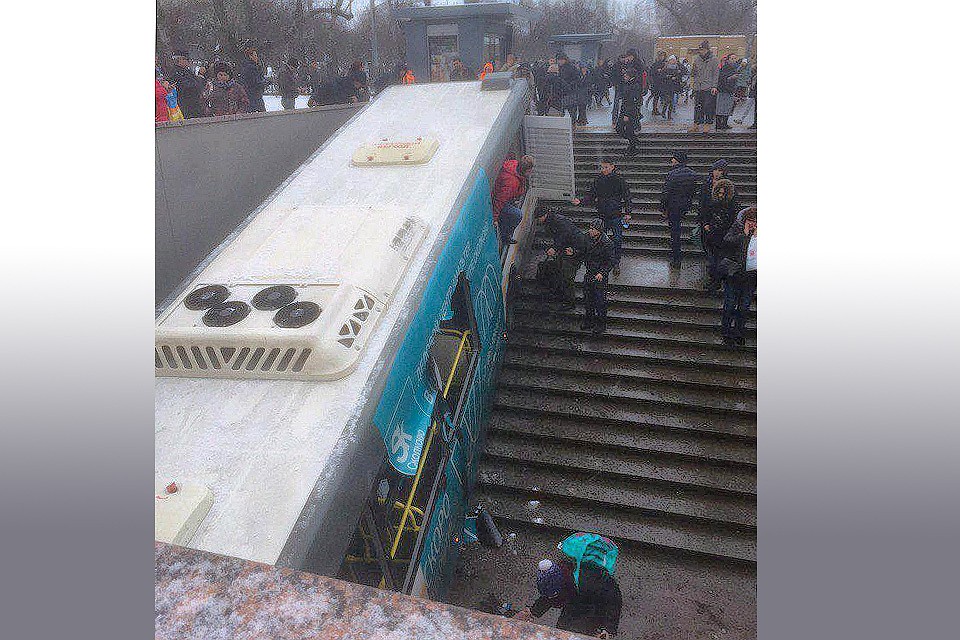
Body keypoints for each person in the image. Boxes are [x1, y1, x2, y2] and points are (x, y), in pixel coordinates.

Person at [515, 535, 622, 638]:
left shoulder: (568, 576)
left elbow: (552, 595)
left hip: (591, 613)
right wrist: (608, 629)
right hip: (580, 611)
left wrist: (533, 611)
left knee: (570, 629)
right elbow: (614, 603)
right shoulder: (602, 581)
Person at [572, 157, 633, 277]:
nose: (603, 169)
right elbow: (591, 195)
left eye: (606, 167)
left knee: (617, 239)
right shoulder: (598, 180)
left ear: (612, 167)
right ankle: (601, 262)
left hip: (615, 215)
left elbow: (627, 196)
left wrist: (628, 212)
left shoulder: (619, 180)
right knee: (599, 240)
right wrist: (581, 201)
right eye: (602, 167)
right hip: (602, 215)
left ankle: (615, 263)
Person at [718, 207, 757, 346]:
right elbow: (727, 242)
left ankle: (739, 332)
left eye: (755, 221)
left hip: (750, 277)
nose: (752, 224)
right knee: (729, 305)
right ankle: (726, 332)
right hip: (734, 275)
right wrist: (745, 235)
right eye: (750, 221)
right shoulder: (737, 229)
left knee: (744, 307)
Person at [536, 208, 586, 309]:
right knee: (560, 271)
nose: (537, 221)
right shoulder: (552, 220)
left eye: (538, 218)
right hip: (567, 249)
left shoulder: (558, 221)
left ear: (544, 215)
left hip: (574, 251)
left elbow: (564, 235)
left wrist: (555, 248)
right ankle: (562, 295)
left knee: (567, 276)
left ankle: (570, 302)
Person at [698, 162, 738, 290]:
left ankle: (716, 278)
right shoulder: (707, 184)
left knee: (718, 255)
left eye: (719, 170)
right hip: (710, 225)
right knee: (712, 252)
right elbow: (703, 205)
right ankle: (714, 276)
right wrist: (705, 223)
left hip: (722, 229)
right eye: (715, 169)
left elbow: (733, 210)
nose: (717, 172)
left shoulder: (728, 187)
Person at [660, 150, 699, 269]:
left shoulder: (672, 174)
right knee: (676, 230)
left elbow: (666, 193)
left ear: (676, 160)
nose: (671, 160)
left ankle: (676, 258)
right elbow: (693, 191)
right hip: (685, 205)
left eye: (673, 158)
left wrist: (663, 208)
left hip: (673, 207)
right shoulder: (692, 174)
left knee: (675, 233)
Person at [491, 155, 535, 248]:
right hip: (499, 200)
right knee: (517, 215)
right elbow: (500, 201)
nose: (531, 172)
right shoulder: (511, 183)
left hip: (505, 196)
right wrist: (494, 218)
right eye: (530, 170)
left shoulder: (514, 165)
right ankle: (505, 237)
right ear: (525, 170)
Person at [581, 220, 616, 334]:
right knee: (588, 298)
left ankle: (601, 323)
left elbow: (611, 261)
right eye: (590, 228)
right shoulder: (587, 238)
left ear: (599, 231)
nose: (590, 230)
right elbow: (582, 250)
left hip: (600, 275)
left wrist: (602, 272)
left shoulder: (607, 243)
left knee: (600, 300)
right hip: (590, 272)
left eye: (592, 229)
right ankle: (589, 320)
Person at [689, 40, 719, 133]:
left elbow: (716, 74)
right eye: (700, 49)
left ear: (707, 50)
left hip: (709, 86)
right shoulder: (697, 59)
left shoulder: (714, 59)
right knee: (697, 106)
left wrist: (714, 86)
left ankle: (708, 124)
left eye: (702, 49)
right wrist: (692, 71)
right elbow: (693, 74)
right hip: (698, 86)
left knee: (708, 106)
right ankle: (696, 124)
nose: (701, 51)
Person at [615, 66, 643, 155]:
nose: (624, 77)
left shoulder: (635, 85)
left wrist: (626, 114)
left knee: (627, 130)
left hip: (629, 112)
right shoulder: (628, 84)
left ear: (630, 76)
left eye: (626, 75)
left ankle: (632, 147)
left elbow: (632, 101)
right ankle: (634, 141)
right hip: (625, 110)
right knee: (620, 129)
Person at [169, 51, 204, 119]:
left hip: (193, 104)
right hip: (185, 104)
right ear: (180, 60)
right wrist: (200, 78)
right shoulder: (176, 72)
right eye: (186, 59)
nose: (188, 61)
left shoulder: (187, 71)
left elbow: (197, 84)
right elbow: (187, 86)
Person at [715, 53, 741, 130]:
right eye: (732, 58)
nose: (734, 60)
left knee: (728, 108)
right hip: (723, 90)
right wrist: (731, 77)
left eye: (735, 58)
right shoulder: (725, 67)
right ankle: (719, 124)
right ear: (728, 59)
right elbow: (721, 78)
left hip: (730, 90)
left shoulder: (735, 68)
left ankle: (725, 123)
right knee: (721, 108)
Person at [238, 45, 266, 112]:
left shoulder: (251, 66)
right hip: (253, 96)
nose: (257, 57)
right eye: (255, 55)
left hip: (254, 95)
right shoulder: (251, 68)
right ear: (250, 56)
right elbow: (254, 83)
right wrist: (265, 83)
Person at [556, 53, 581, 124]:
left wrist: (570, 85)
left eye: (561, 60)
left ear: (565, 60)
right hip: (561, 92)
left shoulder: (571, 67)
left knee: (571, 108)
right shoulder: (558, 68)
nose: (559, 62)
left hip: (570, 91)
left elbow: (577, 79)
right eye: (558, 60)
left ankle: (573, 123)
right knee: (560, 109)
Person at [661, 55, 682, 121]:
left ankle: (669, 115)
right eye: (671, 60)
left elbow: (679, 76)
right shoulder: (665, 68)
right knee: (668, 100)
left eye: (674, 60)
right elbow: (662, 76)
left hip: (673, 86)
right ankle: (664, 112)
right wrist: (669, 77)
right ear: (669, 60)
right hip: (666, 86)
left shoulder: (677, 68)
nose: (673, 61)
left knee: (671, 101)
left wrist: (676, 77)